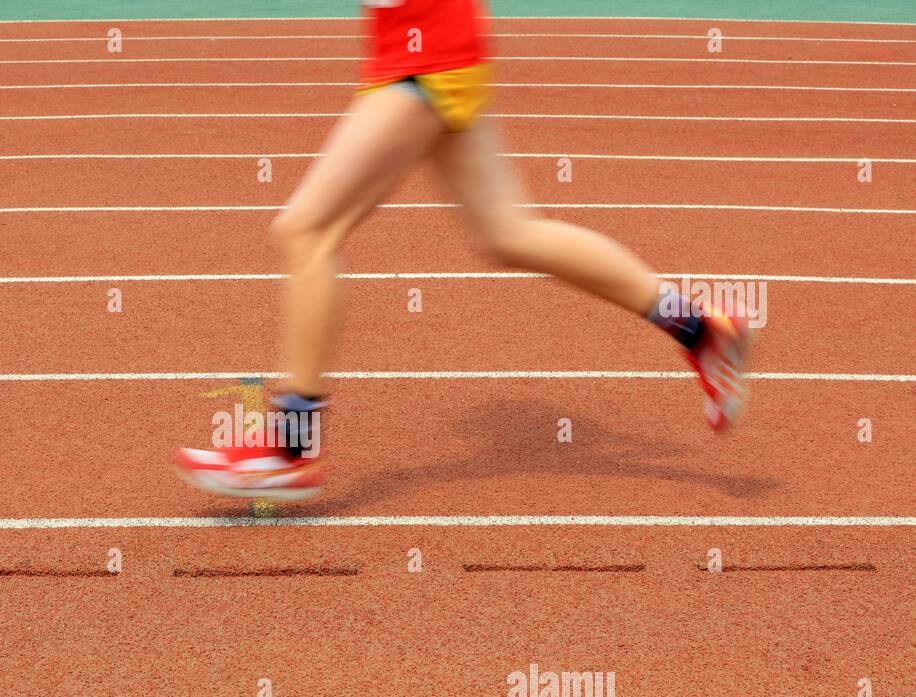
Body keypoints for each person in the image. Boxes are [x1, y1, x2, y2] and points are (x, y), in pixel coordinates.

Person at [174, 0, 753, 501]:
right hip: (426, 56)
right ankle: (699, 328)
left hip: (424, 62)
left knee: (306, 230)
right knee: (510, 234)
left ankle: (290, 448)